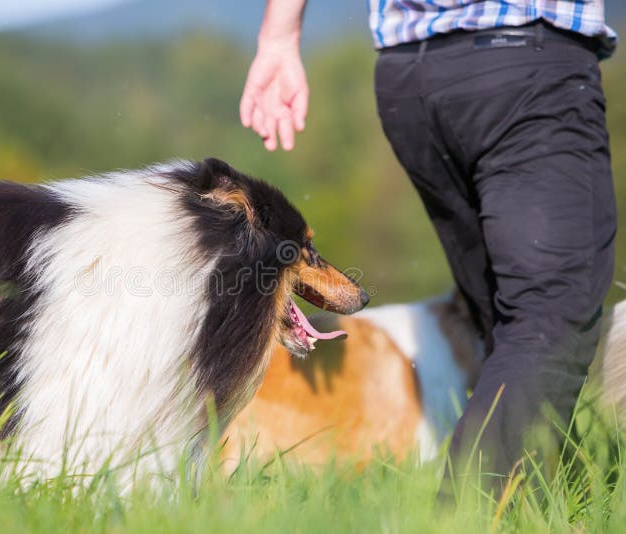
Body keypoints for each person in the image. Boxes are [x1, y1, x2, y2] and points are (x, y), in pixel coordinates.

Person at [240, 0, 618, 494]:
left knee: (504, 320)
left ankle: (557, 503)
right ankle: (467, 515)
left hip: (413, 81)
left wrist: (279, 38)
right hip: (525, 64)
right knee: (548, 317)